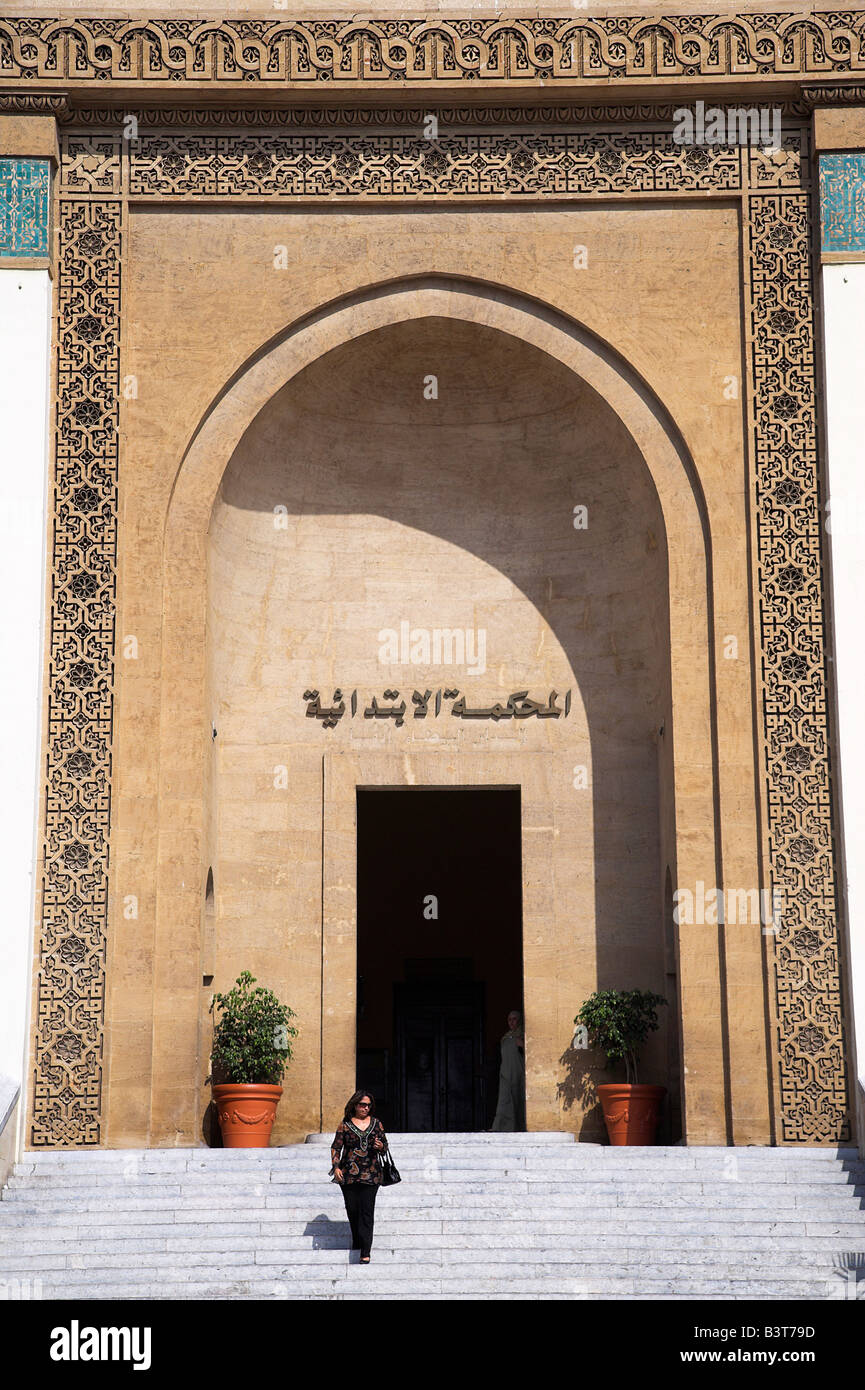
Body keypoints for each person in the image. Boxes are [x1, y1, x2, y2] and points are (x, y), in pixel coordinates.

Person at [330, 1089, 389, 1263]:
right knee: (353, 1209)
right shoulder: (345, 1124)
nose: (365, 1108)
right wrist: (335, 1167)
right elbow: (336, 1147)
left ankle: (365, 1251)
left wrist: (380, 1146)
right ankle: (357, 1239)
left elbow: (385, 1146)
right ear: (355, 1105)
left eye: (368, 1105)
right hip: (348, 1175)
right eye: (362, 1105)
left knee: (367, 1212)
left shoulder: (377, 1124)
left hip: (371, 1174)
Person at [491, 1009, 526, 1131]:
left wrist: (522, 1044)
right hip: (505, 1075)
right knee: (504, 1102)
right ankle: (500, 1127)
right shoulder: (505, 1038)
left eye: (514, 1019)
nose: (511, 1022)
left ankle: (519, 1128)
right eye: (509, 1019)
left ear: (520, 1020)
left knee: (518, 1101)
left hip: (519, 1074)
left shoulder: (523, 1036)